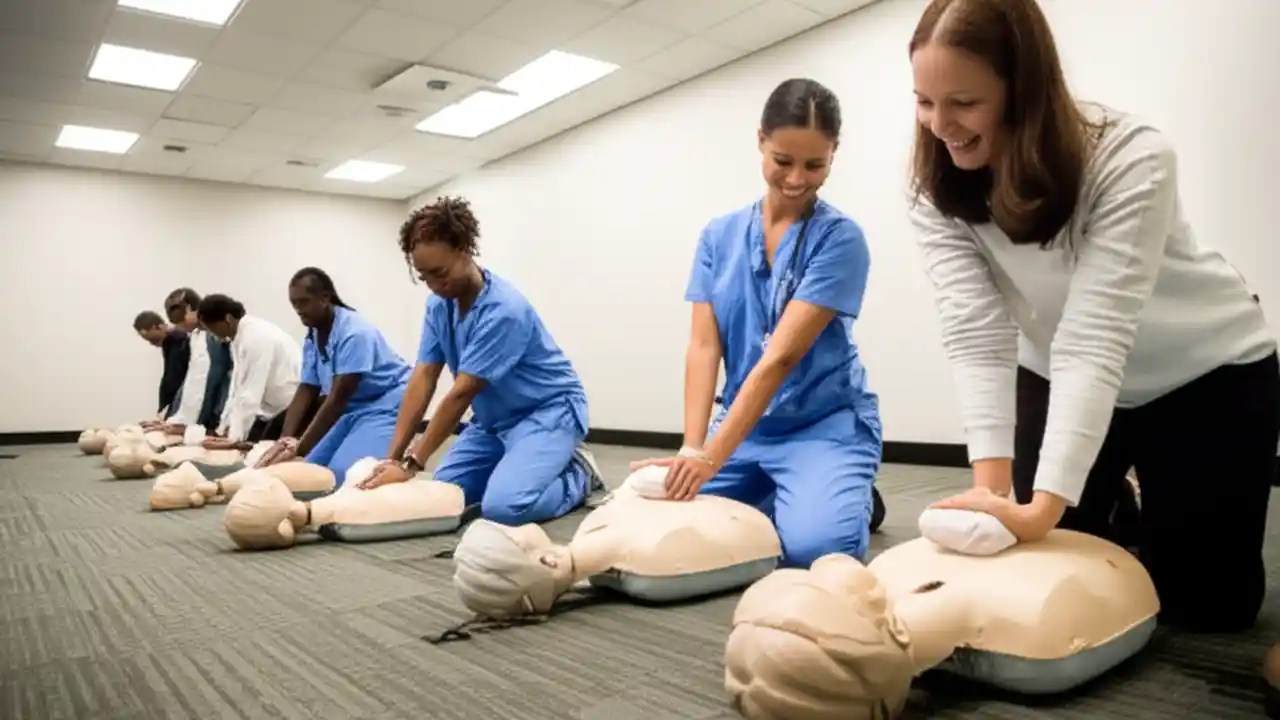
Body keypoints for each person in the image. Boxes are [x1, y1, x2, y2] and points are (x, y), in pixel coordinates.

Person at [906, 0, 1279, 632]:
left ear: (1022, 89)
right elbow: (977, 333)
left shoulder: (1132, 155)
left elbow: (1096, 331)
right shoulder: (935, 184)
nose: (941, 125)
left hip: (1205, 377)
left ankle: (1132, 498)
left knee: (1205, 608)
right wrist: (993, 495)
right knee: (1035, 565)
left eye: (964, 103)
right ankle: (1119, 501)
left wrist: (1043, 505)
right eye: (923, 101)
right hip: (1054, 371)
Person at [631, 78, 884, 569]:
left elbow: (780, 357)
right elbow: (704, 348)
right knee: (650, 514)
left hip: (821, 424)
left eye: (816, 165)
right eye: (783, 161)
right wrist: (692, 446)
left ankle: (846, 493)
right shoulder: (717, 236)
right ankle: (789, 494)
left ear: (834, 154)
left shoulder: (840, 239)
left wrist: (709, 461)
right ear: (760, 141)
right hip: (746, 428)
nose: (796, 179)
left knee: (815, 552)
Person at [356, 196, 603, 527]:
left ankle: (579, 474)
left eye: (439, 273)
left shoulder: (504, 310)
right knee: (447, 496)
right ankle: (519, 466)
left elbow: (460, 393)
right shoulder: (438, 306)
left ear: (464, 249)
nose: (434, 285)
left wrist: (413, 463)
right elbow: (424, 377)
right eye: (424, 276)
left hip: (546, 412)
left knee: (505, 508)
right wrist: (393, 457)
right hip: (493, 421)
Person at [255, 267, 413, 482]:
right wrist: (285, 440)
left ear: (325, 298)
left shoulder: (355, 333)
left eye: (304, 301)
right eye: (294, 303)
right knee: (312, 467)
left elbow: (337, 399)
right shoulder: (313, 334)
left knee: (344, 474)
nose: (298, 309)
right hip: (353, 410)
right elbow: (307, 389)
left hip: (388, 406)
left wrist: (300, 446)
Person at [197, 293, 303, 449]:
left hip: (290, 406)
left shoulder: (255, 337)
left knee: (258, 455)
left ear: (227, 318)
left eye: (213, 329)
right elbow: (236, 388)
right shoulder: (238, 338)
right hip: (273, 408)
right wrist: (224, 427)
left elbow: (251, 392)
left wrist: (235, 437)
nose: (214, 336)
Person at [157, 287, 234, 435]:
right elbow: (190, 382)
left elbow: (219, 381)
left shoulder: (217, 337)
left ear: (191, 309)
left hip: (213, 419)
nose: (180, 326)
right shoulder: (195, 337)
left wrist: (217, 421)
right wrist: (171, 414)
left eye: (180, 319)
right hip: (191, 420)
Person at [132, 310, 189, 421]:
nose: (151, 343)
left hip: (181, 406)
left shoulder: (179, 341)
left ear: (156, 327)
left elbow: (175, 378)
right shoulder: (170, 343)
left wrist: (167, 411)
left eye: (152, 339)